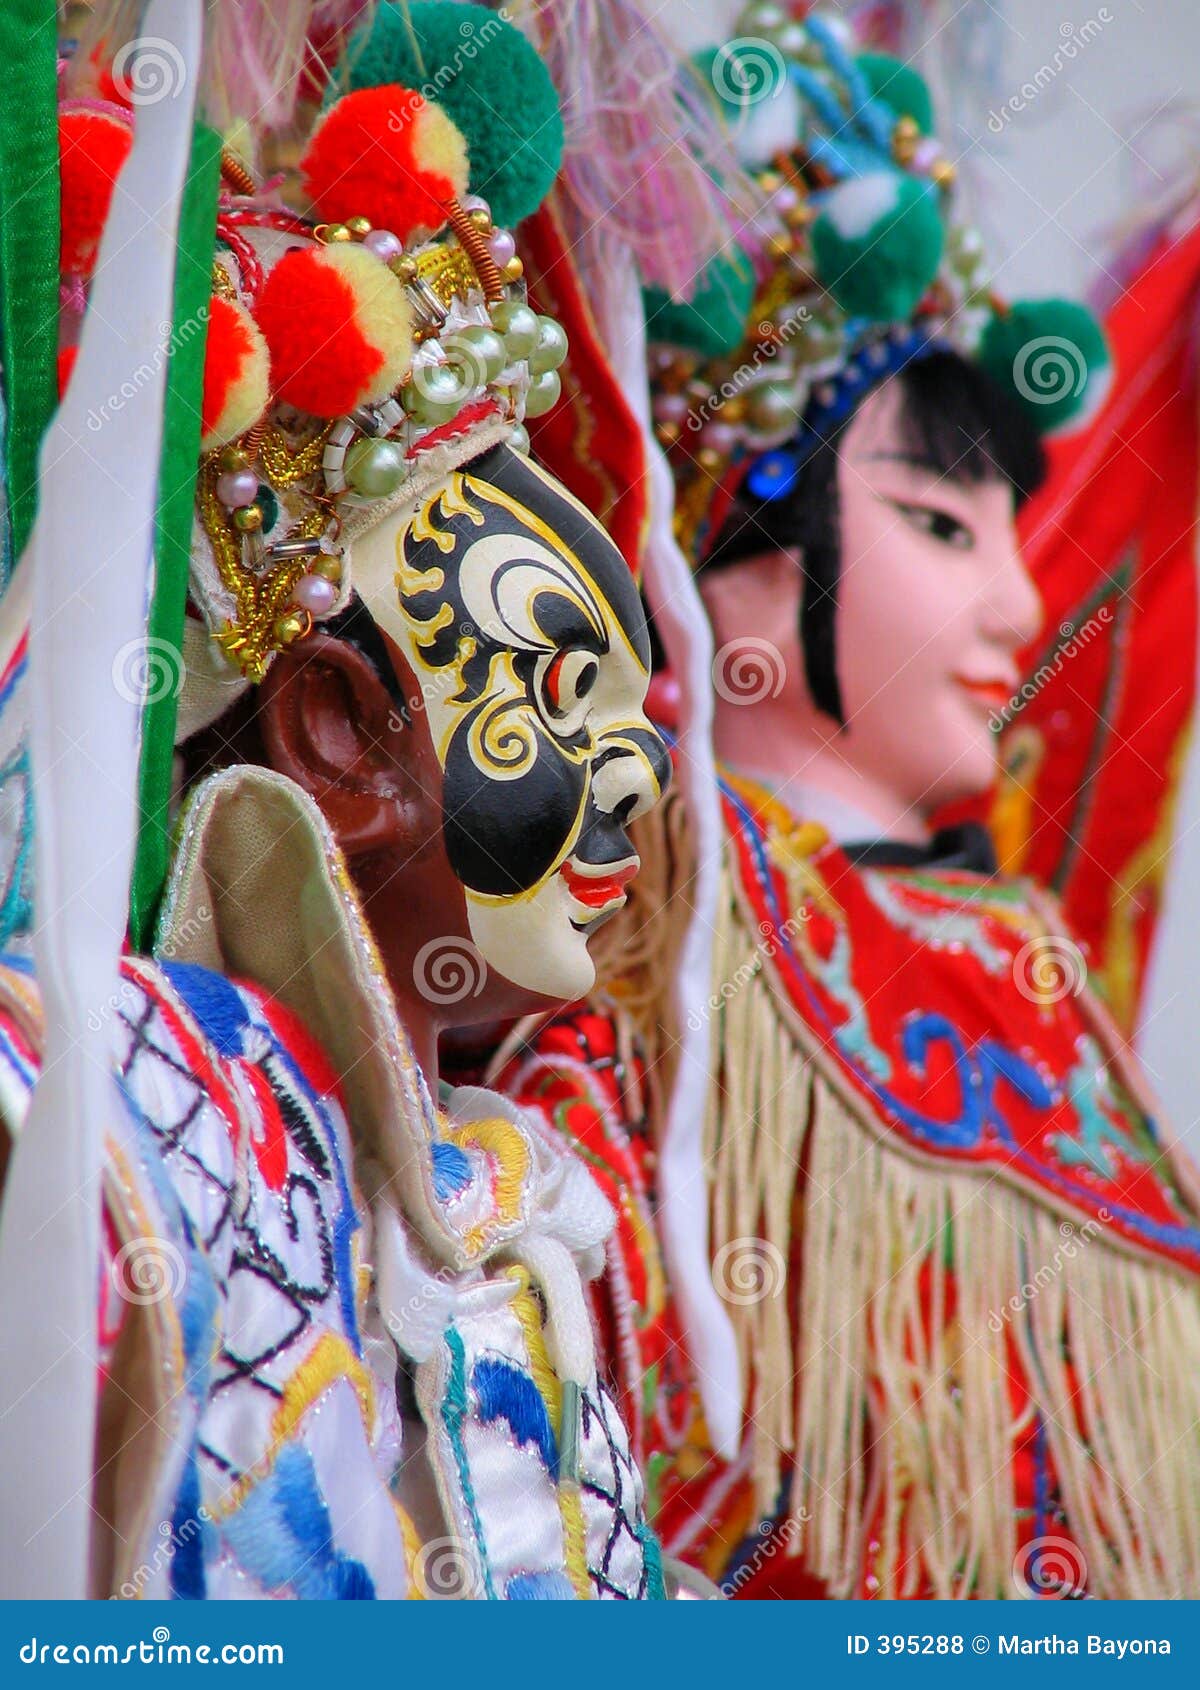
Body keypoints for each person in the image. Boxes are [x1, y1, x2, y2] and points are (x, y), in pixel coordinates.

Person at [489, 7, 1200, 1599]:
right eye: (945, 528)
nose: (1023, 606)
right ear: (742, 567)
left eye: (1017, 533)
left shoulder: (1037, 975)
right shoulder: (648, 932)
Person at [0, 2, 672, 1601]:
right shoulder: (156, 1098)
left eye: (635, 707)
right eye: (568, 695)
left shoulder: (534, 1198)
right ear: (338, 740)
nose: (644, 768)